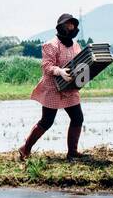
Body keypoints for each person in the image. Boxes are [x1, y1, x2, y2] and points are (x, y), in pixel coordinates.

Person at [19, 13, 85, 161]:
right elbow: (46, 66)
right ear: (61, 27)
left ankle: (72, 152)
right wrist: (59, 71)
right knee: (47, 121)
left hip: (70, 86)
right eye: (68, 25)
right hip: (52, 87)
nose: (71, 27)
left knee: (78, 118)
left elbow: (81, 63)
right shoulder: (51, 44)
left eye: (73, 25)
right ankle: (25, 149)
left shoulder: (76, 45)